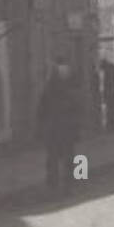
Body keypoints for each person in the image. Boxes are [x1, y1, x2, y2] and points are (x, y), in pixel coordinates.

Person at [36, 56, 82, 197]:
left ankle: (55, 187)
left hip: (55, 130)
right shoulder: (69, 89)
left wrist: (40, 129)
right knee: (68, 159)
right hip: (64, 129)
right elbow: (77, 108)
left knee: (55, 160)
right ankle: (68, 186)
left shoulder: (49, 88)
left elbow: (40, 110)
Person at [100, 59, 114, 131]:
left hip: (110, 93)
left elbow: (106, 84)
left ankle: (111, 125)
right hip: (112, 92)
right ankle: (112, 124)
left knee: (110, 109)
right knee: (112, 109)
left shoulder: (108, 72)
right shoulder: (112, 70)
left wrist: (104, 94)